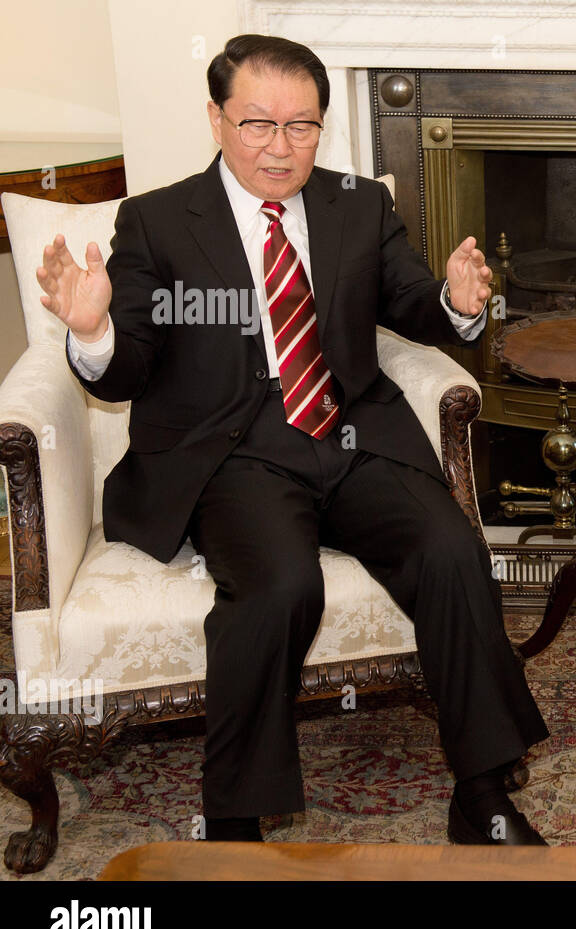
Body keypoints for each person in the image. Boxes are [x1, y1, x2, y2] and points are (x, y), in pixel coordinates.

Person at [35, 34, 549, 845]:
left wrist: (456, 302)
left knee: (451, 550)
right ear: (216, 119)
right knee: (280, 588)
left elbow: (411, 303)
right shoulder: (158, 221)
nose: (281, 147)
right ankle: (235, 824)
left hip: (351, 431)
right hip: (234, 449)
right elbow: (123, 369)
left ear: (322, 127)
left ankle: (481, 795)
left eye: (302, 126)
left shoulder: (358, 204)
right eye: (258, 124)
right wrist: (94, 328)